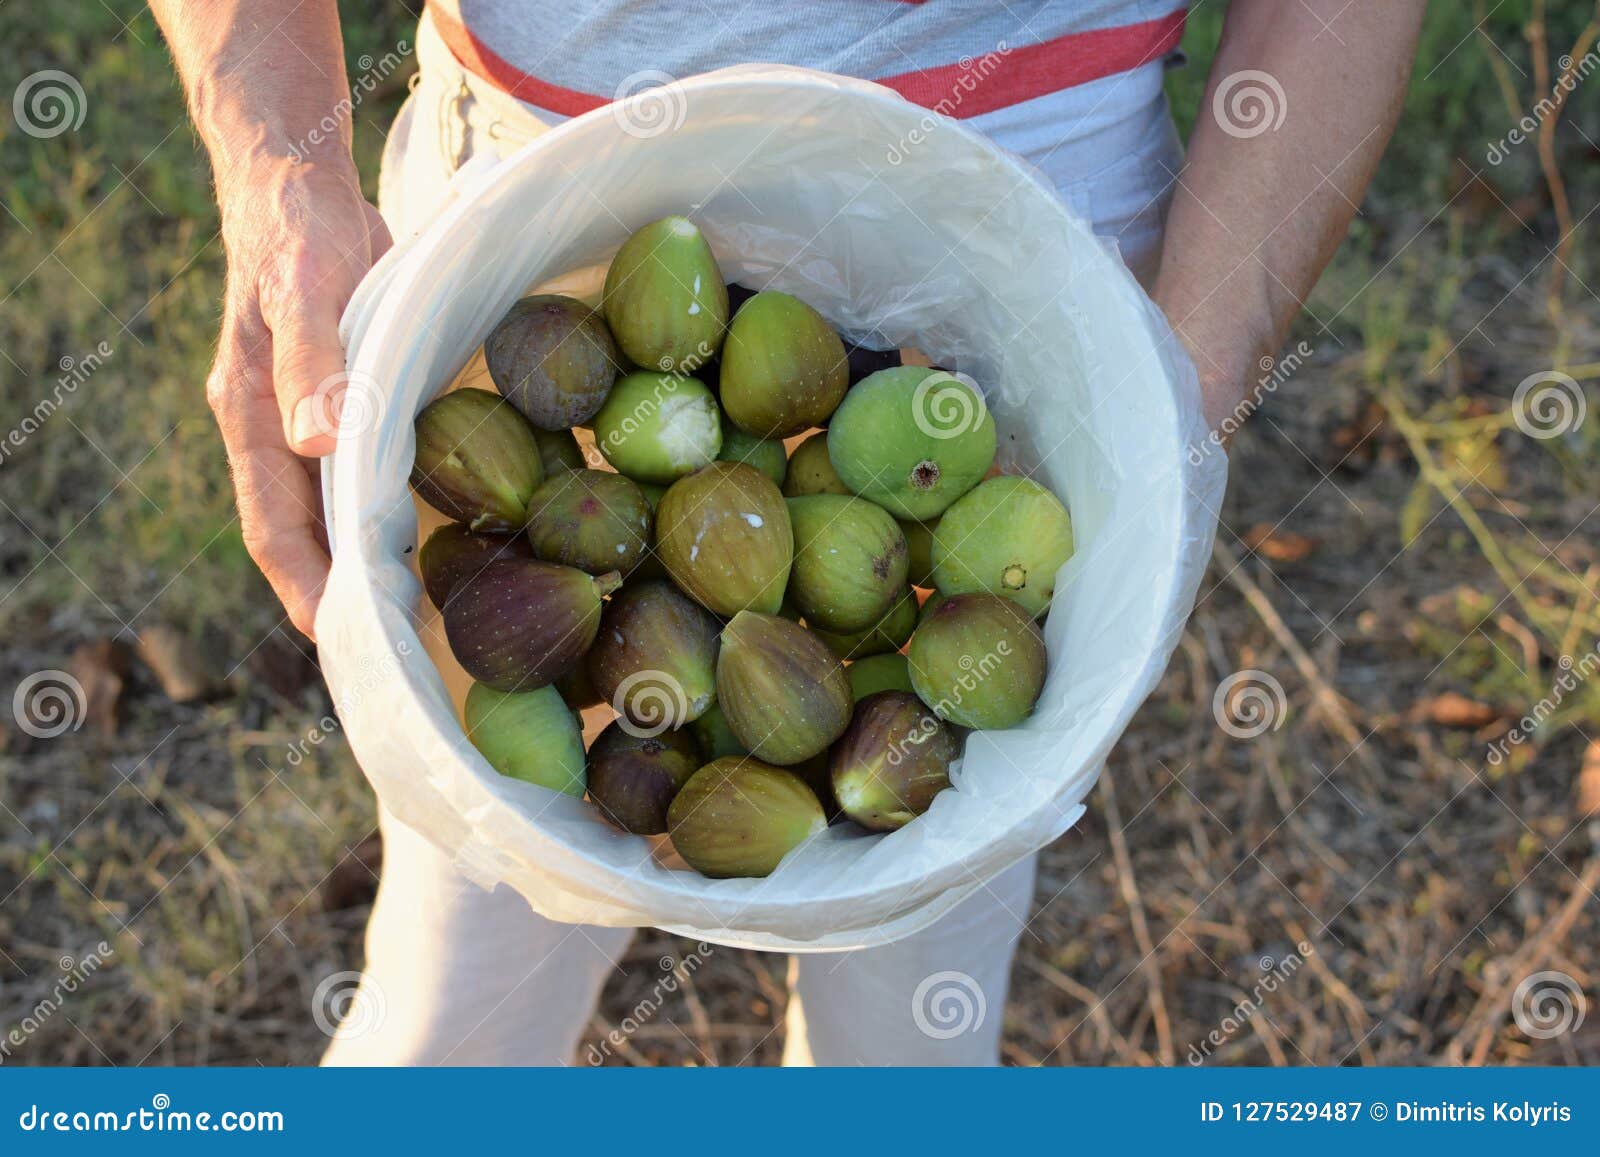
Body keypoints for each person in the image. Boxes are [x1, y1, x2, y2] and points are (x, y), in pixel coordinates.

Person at [147, 0, 1425, 1065]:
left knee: (918, 986)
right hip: (533, 215)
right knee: (458, 979)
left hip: (1025, 252)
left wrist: (1182, 387)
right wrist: (279, 174)